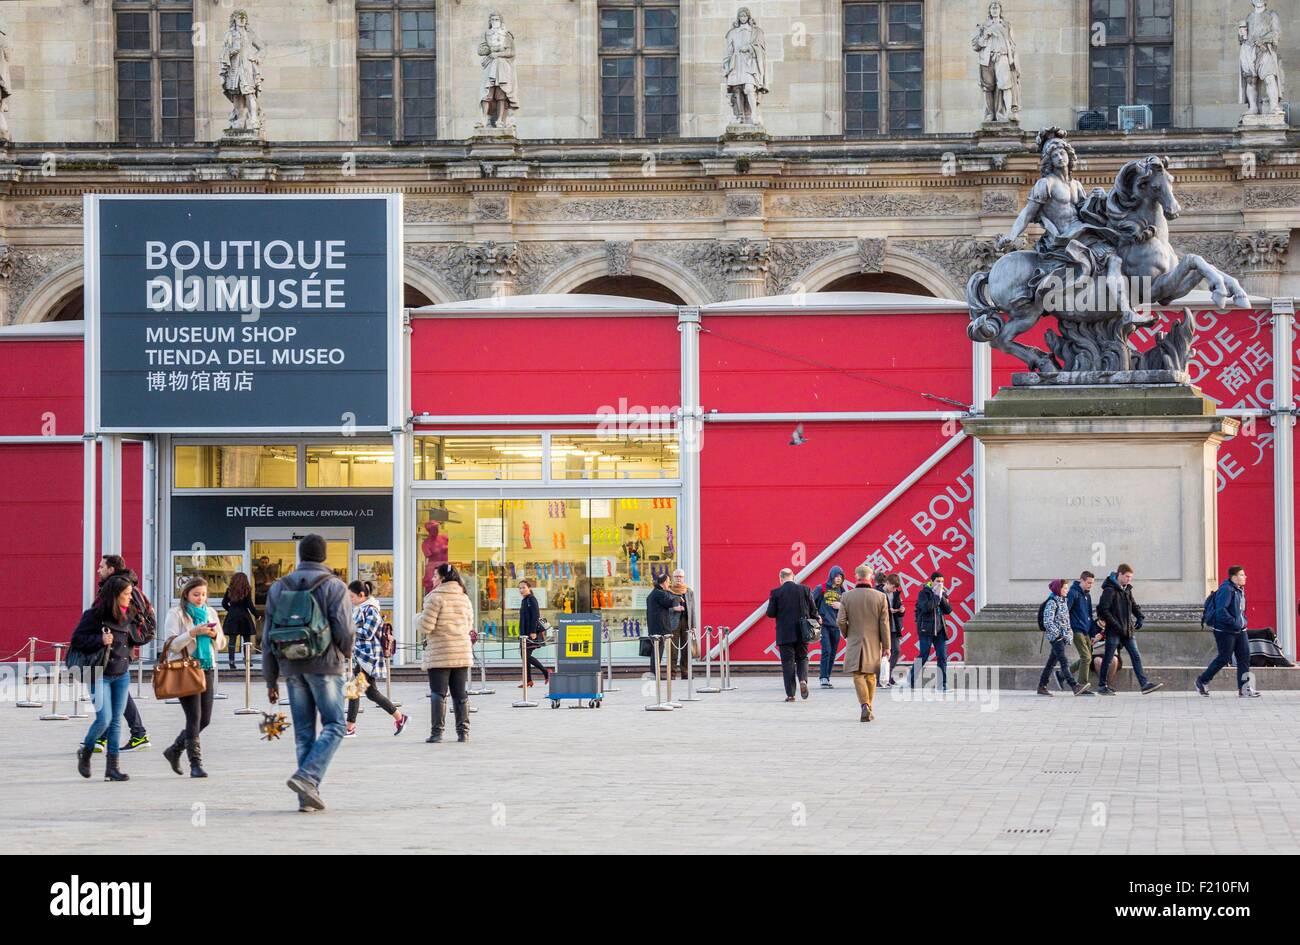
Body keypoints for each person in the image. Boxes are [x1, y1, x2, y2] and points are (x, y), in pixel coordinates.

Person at [263, 534, 355, 812]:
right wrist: (345, 654)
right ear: (324, 556)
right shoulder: (334, 586)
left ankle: (307, 798)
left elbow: (267, 637)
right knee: (336, 724)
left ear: (301, 556)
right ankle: (307, 777)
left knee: (304, 733)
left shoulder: (279, 587)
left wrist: (270, 677)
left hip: (291, 667)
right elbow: (345, 629)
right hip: (325, 666)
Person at [71, 574, 136, 782]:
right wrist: (100, 639)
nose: (130, 598)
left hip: (121, 673)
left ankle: (112, 768)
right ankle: (86, 750)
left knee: (116, 721)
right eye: (126, 594)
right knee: (104, 719)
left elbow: (135, 639)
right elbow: (77, 640)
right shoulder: (94, 615)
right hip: (98, 673)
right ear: (115, 596)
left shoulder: (130, 613)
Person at [161, 577, 226, 778]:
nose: (200, 598)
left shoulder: (210, 612)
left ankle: (174, 749)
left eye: (204, 594)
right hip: (186, 669)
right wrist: (193, 633)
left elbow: (222, 643)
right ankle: (195, 764)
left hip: (206, 668)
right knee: (194, 717)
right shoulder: (176, 613)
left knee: (205, 719)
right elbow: (171, 644)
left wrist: (214, 635)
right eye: (196, 594)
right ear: (186, 594)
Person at [93, 555, 154, 753]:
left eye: (101, 566)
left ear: (111, 569)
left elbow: (115, 616)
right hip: (119, 647)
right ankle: (137, 734)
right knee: (116, 690)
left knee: (110, 688)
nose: (98, 570)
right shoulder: (127, 585)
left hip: (116, 647)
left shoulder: (117, 587)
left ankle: (105, 738)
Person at [345, 581, 410, 736]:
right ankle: (400, 718)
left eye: (352, 596)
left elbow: (367, 633)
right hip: (361, 656)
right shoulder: (361, 608)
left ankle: (349, 728)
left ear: (362, 595)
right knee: (367, 692)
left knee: (355, 691)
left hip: (368, 657)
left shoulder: (371, 610)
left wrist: (347, 627)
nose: (350, 599)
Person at [419, 563, 474, 744]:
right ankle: (463, 732)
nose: (433, 579)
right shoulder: (464, 597)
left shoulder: (435, 597)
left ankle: (437, 733)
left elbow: (426, 626)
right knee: (460, 694)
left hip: (440, 651)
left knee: (438, 693)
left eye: (435, 576)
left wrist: (417, 618)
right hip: (461, 651)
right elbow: (469, 626)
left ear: (442, 578)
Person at [1095, 564, 1162, 695]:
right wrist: (1116, 625)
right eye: (1127, 577)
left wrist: (1140, 617)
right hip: (1114, 631)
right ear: (1119, 574)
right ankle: (1102, 685)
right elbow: (1103, 610)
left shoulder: (1127, 589)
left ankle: (1144, 685)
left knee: (1136, 656)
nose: (1129, 579)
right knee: (1108, 658)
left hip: (1127, 630)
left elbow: (1133, 605)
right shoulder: (1109, 590)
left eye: (1130, 577)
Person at [837, 565, 891, 722]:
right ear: (871, 577)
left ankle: (864, 706)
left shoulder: (846, 596)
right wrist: (886, 646)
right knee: (871, 675)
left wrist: (847, 633)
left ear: (856, 577)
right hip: (874, 642)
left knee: (858, 674)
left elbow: (840, 620)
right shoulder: (880, 597)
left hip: (855, 640)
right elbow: (884, 623)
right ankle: (869, 707)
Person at [1196, 566, 1260, 698]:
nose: (1245, 577)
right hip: (1225, 631)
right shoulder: (1226, 589)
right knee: (1224, 658)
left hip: (1240, 630)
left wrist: (1243, 622)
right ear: (1234, 577)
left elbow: (1240, 610)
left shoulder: (1239, 590)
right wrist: (1234, 622)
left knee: (1244, 657)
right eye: (1242, 575)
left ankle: (1244, 688)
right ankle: (1202, 681)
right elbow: (1221, 610)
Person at [1037, 579, 1092, 696]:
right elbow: (1048, 622)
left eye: (1067, 588)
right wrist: (1058, 635)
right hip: (1056, 638)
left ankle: (1042, 686)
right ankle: (1074, 686)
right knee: (1064, 661)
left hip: (1062, 637)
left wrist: (1068, 634)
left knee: (1051, 663)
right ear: (1058, 589)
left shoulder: (1063, 601)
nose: (1067, 590)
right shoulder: (1052, 602)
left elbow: (1065, 620)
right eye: (1065, 588)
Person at [766, 568, 812, 702]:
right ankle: (803, 680)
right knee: (802, 658)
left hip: (784, 633)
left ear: (780, 579)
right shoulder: (805, 589)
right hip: (802, 632)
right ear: (794, 577)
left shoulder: (776, 593)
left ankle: (791, 694)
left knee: (788, 663)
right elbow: (813, 609)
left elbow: (770, 613)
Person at [909, 572, 953, 691]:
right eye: (938, 581)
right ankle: (912, 679)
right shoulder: (924, 593)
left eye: (942, 581)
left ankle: (942, 684)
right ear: (932, 581)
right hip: (926, 629)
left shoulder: (942, 593)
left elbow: (948, 610)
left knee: (942, 656)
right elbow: (926, 607)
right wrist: (936, 596)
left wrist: (942, 596)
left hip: (940, 629)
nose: (940, 584)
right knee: (924, 654)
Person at [1060, 570, 1100, 691]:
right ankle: (1081, 686)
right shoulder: (1073, 593)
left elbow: (1089, 615)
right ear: (1081, 580)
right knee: (1086, 657)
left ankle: (1062, 675)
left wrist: (1093, 633)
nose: (1090, 585)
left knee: (1087, 657)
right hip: (1076, 629)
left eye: (1092, 583)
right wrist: (1068, 629)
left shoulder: (1087, 595)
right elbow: (1065, 612)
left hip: (1086, 631)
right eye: (1088, 582)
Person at [812, 565, 847, 689]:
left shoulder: (842, 592)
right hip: (824, 625)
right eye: (836, 576)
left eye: (841, 577)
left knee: (832, 653)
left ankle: (827, 676)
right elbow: (810, 603)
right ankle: (823, 678)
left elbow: (848, 608)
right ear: (831, 576)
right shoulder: (821, 588)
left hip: (836, 626)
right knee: (826, 650)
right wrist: (817, 616)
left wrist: (841, 606)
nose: (838, 579)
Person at [645, 571, 681, 679]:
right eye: (668, 582)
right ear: (664, 582)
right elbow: (669, 602)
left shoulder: (654, 593)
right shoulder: (660, 593)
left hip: (654, 627)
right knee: (657, 652)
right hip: (660, 628)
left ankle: (654, 673)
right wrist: (678, 598)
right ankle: (655, 674)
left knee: (656, 652)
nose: (669, 584)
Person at [222, 572, 259, 671]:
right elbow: (249, 605)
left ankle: (231, 662)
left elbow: (224, 603)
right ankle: (247, 661)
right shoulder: (246, 590)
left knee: (232, 640)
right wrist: (257, 615)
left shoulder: (229, 590)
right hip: (244, 617)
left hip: (232, 617)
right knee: (247, 640)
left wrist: (230, 610)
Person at [518, 579, 549, 687]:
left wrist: (533, 631)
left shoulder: (531, 599)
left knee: (525, 655)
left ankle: (545, 672)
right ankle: (528, 680)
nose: (521, 590)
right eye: (520, 588)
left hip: (531, 633)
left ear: (529, 588)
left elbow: (535, 615)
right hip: (524, 633)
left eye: (523, 587)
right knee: (524, 655)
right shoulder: (524, 600)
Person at [669, 568, 696, 681]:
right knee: (673, 650)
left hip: (686, 622)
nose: (678, 579)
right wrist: (674, 608)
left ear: (683, 578)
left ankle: (685, 673)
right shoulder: (669, 591)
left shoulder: (689, 591)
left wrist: (693, 625)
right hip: (673, 623)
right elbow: (665, 608)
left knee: (686, 650)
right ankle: (672, 674)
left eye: (680, 576)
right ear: (673, 578)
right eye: (676, 577)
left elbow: (692, 609)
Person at [883, 574, 905, 688]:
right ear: (887, 583)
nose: (894, 590)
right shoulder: (878, 592)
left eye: (896, 588)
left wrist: (901, 610)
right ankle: (881, 678)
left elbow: (900, 609)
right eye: (893, 587)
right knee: (882, 653)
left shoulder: (896, 594)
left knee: (896, 650)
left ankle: (890, 676)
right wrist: (887, 610)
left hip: (894, 627)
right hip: (882, 627)